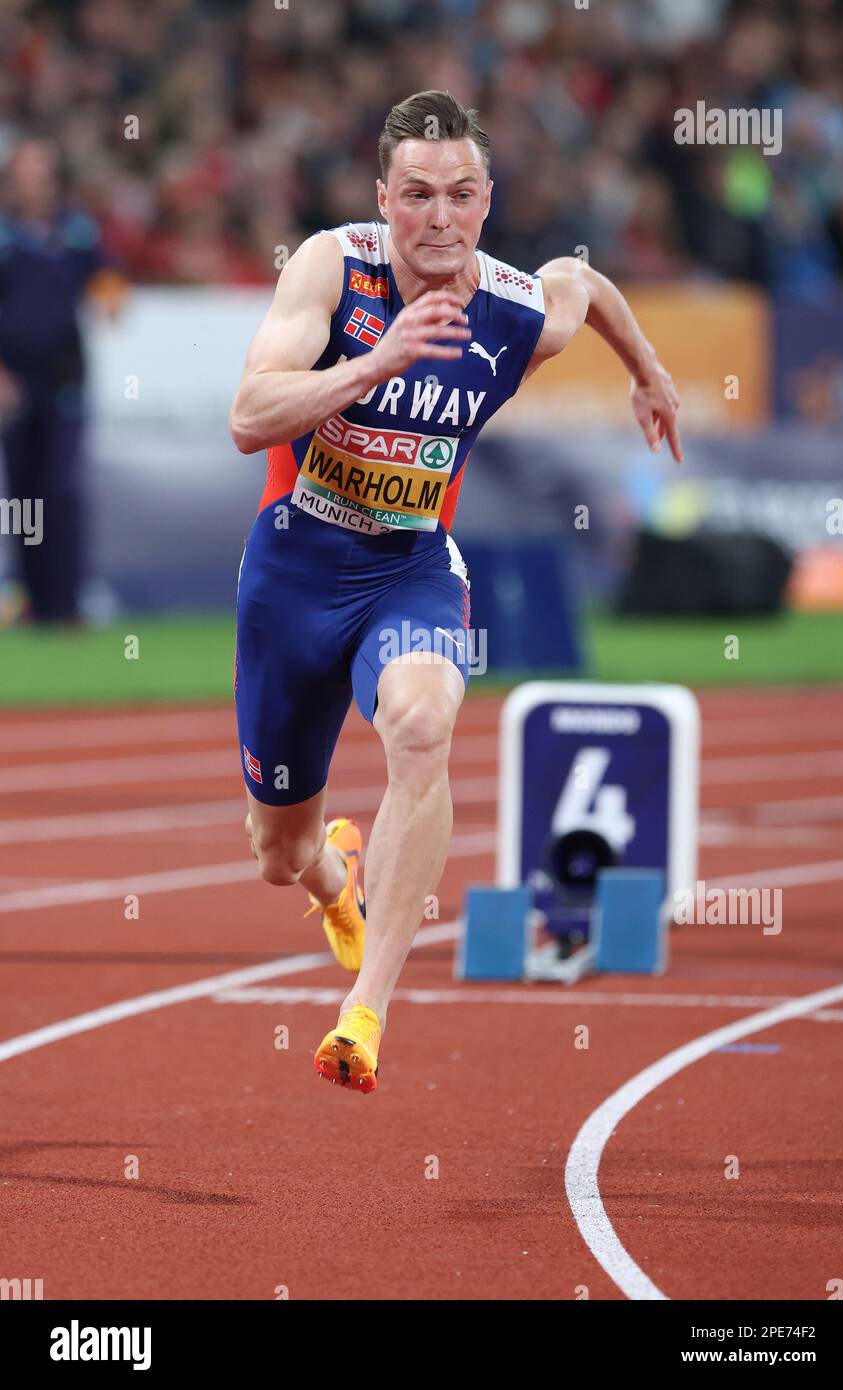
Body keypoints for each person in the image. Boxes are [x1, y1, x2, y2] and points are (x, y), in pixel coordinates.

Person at [229, 91, 681, 1094]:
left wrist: (646, 370)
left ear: (487, 201)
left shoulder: (512, 308)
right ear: (381, 198)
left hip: (410, 570)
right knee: (276, 847)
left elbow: (579, 281)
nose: (438, 217)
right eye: (417, 195)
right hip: (294, 571)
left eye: (461, 195)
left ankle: (365, 1012)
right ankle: (334, 878)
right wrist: (376, 362)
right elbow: (249, 415)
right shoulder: (329, 266)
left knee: (422, 725)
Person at [0, 139, 125, 625]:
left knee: (63, 488)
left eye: (42, 173)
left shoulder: (75, 230)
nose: (34, 184)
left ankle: (66, 601)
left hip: (64, 377)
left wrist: (111, 297)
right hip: (15, 382)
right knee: (24, 495)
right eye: (26, 174)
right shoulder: (6, 234)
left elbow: (106, 275)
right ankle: (31, 598)